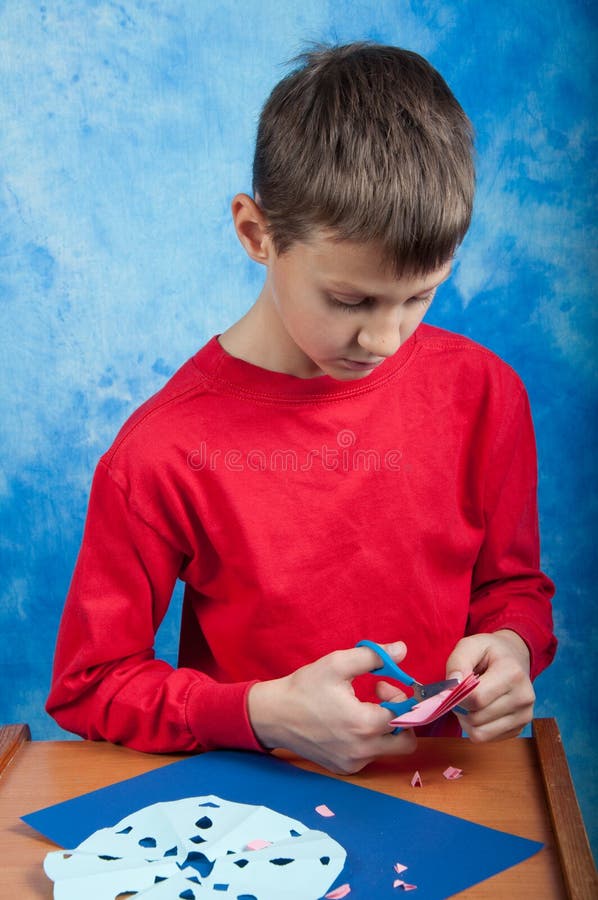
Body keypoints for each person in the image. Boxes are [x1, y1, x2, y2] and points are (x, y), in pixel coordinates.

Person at [46, 43, 557, 774]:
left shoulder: (485, 393)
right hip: (253, 811)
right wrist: (263, 714)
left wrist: (511, 644)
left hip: (447, 793)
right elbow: (89, 685)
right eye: (350, 300)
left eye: (420, 295)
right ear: (257, 235)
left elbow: (512, 588)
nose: (385, 339)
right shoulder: (160, 453)